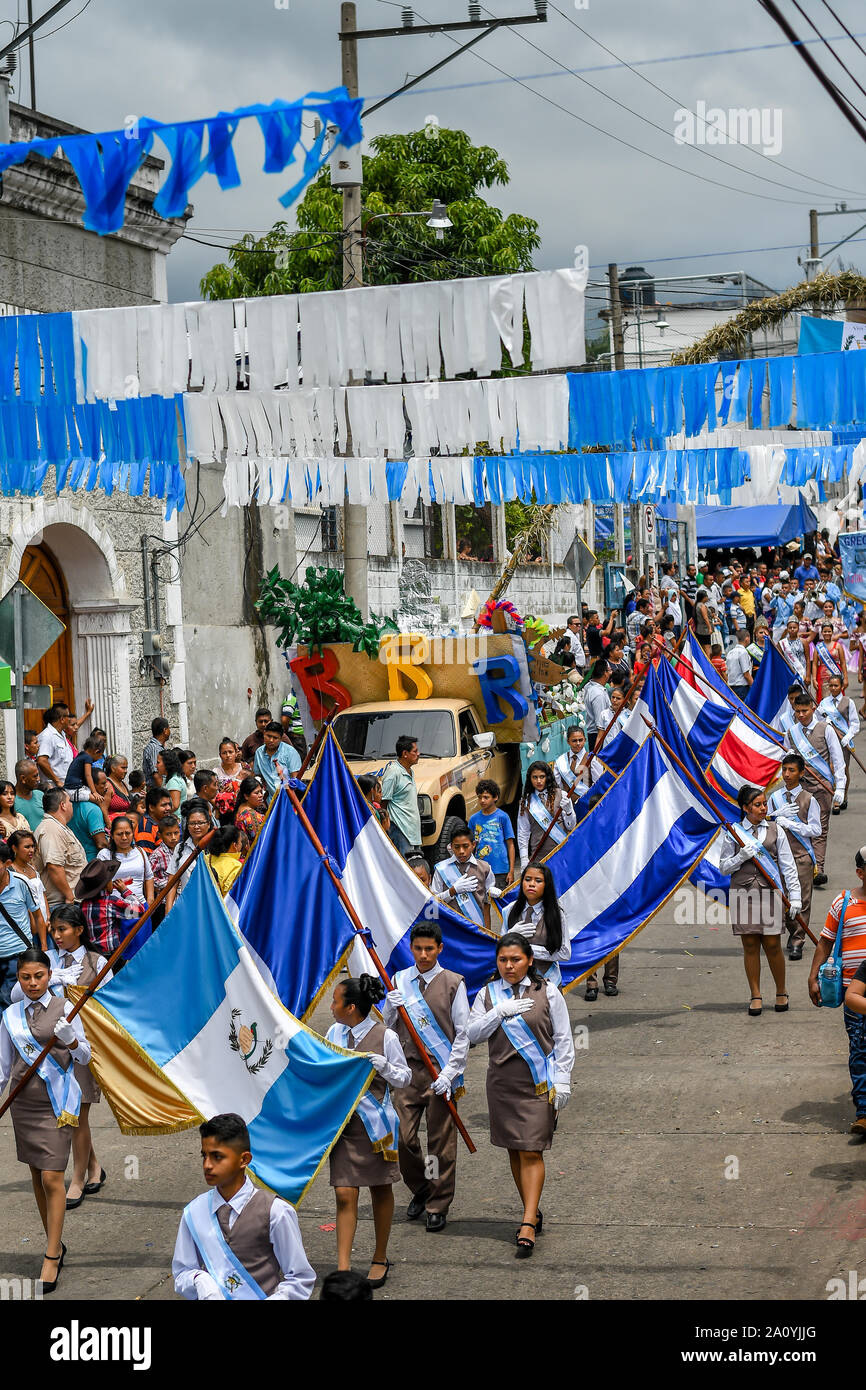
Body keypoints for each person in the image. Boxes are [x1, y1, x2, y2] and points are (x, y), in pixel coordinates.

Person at [467, 933, 574, 1258]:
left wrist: (564, 1080)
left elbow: (564, 1039)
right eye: (503, 960)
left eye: (515, 959)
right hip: (503, 1085)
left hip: (538, 1083)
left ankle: (527, 1220)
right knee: (515, 1150)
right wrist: (498, 1012)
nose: (509, 966)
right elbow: (472, 1035)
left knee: (532, 1151)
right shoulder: (487, 994)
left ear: (528, 960)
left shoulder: (548, 992)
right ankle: (532, 1208)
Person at [0, 946, 92, 1292]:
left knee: (54, 1178)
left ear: (49, 975)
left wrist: (70, 1042)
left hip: (57, 1103)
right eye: (26, 977)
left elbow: (84, 1056)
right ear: (19, 979)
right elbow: (3, 1068)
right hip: (24, 1106)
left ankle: (51, 1255)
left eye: (39, 976)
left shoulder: (66, 1008)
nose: (33, 983)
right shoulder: (11, 1015)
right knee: (38, 1177)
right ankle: (54, 1241)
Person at [381, 922, 470, 1233]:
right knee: (403, 1139)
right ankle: (421, 1186)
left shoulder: (454, 983)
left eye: (429, 949)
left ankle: (438, 1203)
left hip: (440, 1071)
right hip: (407, 1072)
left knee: (441, 1144)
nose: (422, 954)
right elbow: (388, 1030)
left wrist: (451, 1072)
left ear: (440, 949)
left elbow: (462, 1034)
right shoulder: (399, 980)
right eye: (417, 948)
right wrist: (389, 1010)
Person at [172, 1112, 315, 1301]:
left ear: (244, 1159)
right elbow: (182, 1272)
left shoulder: (275, 1211)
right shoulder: (195, 1211)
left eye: (217, 1157)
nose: (207, 1165)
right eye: (204, 1155)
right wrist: (199, 1279)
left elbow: (300, 1279)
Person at [325, 974, 411, 1288]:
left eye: (336, 1001)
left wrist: (384, 1067)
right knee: (345, 1193)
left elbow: (404, 1077)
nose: (331, 1006)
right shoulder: (334, 1032)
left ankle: (379, 1255)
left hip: (377, 1126)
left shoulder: (384, 1036)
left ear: (351, 1007)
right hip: (345, 1126)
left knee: (379, 1188)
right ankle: (344, 1267)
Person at [45, 903, 110, 1209]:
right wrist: (52, 975)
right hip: (51, 1051)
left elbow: (110, 1010)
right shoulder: (46, 961)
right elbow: (24, 991)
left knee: (77, 1115)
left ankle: (78, 1179)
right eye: (53, 929)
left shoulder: (98, 964)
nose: (56, 935)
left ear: (80, 930)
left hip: (82, 1049)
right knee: (67, 1114)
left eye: (63, 929)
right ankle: (94, 1166)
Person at [719, 784, 800, 1016]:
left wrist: (794, 897)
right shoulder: (733, 832)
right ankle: (755, 994)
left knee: (773, 944)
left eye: (764, 803)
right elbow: (724, 867)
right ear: (745, 808)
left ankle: (781, 991)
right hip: (744, 894)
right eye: (757, 805)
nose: (763, 808)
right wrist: (741, 856)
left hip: (770, 892)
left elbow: (788, 866)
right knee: (750, 945)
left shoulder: (776, 830)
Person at [810, 847, 866, 1136]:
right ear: (860, 872)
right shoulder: (844, 903)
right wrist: (813, 977)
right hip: (853, 994)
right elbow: (825, 941)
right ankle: (864, 1112)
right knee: (859, 1049)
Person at [784, 692, 845, 885]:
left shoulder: (825, 729)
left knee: (819, 829)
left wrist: (840, 787)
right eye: (797, 711)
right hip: (799, 789)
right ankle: (802, 866)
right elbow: (785, 760)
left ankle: (818, 869)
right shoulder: (791, 732)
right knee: (799, 827)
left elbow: (838, 758)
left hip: (821, 788)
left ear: (813, 709)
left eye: (804, 710)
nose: (801, 715)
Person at [767, 754, 821, 960]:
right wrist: (773, 816)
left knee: (803, 901)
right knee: (782, 900)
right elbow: (766, 824)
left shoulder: (809, 799)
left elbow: (816, 829)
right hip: (779, 857)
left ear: (801, 773)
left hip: (801, 856)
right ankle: (791, 931)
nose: (787, 774)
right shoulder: (774, 798)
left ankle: (798, 940)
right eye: (784, 770)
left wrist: (792, 824)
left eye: (791, 770)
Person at [501, 862, 571, 988]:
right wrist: (509, 936)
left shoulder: (556, 913)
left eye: (538, 880)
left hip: (549, 981)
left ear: (546, 885)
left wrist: (527, 950)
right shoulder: (509, 910)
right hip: (515, 981)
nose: (531, 884)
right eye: (527, 879)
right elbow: (501, 949)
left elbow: (565, 952)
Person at [0, 840, 46, 1008]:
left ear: (8, 864)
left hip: (18, 954)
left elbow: (38, 916)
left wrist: (43, 946)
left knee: (8, 999)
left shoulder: (20, 883)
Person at [431, 822, 497, 931]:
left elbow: (486, 903)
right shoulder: (441, 869)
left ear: (473, 845)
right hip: (450, 927)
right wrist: (451, 891)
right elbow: (433, 901)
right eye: (457, 847)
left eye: (465, 846)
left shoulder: (485, 868)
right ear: (451, 846)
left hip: (476, 928)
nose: (461, 851)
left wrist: (487, 932)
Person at [33, 790, 88, 912]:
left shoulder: (59, 827)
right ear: (63, 805)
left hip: (70, 902)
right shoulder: (51, 829)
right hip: (62, 905)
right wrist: (69, 896)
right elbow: (54, 866)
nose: (72, 804)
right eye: (69, 801)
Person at [75, 859, 139, 960]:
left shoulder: (83, 905)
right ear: (105, 885)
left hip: (91, 953)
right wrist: (125, 891)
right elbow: (137, 911)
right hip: (110, 954)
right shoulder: (110, 903)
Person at [516, 760, 576, 868]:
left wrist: (568, 811)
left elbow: (571, 826)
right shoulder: (525, 802)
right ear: (530, 779)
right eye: (535, 777)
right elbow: (523, 832)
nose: (539, 781)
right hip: (540, 857)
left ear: (547, 777)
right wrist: (524, 858)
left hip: (562, 852)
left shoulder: (562, 795)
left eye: (542, 777)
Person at [97, 815, 154, 912]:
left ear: (133, 833)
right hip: (114, 910)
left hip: (139, 908)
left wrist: (150, 900)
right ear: (112, 835)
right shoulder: (104, 855)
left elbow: (149, 877)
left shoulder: (140, 852)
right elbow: (100, 884)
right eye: (119, 834)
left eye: (128, 833)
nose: (124, 837)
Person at [380, 735, 422, 857]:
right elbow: (384, 803)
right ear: (405, 753)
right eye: (415, 751)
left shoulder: (409, 771)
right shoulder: (393, 772)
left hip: (412, 831)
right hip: (400, 830)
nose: (418, 754)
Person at [469, 778, 515, 888]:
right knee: (482, 902)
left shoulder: (503, 817)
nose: (482, 801)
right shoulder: (473, 819)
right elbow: (470, 845)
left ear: (495, 797)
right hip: (480, 869)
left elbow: (510, 845)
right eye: (479, 797)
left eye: (486, 797)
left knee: (500, 901)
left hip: (500, 869)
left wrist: (511, 871)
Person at [7, 830, 49, 949]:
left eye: (32, 846)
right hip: (30, 926)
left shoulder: (32, 867)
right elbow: (22, 901)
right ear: (14, 848)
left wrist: (48, 916)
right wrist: (34, 922)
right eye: (27, 847)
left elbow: (42, 893)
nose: (31, 850)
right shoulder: (11, 871)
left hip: (45, 923)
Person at [68, 769, 110, 862]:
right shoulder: (93, 810)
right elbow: (101, 844)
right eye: (103, 784)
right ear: (92, 786)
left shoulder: (70, 804)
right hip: (92, 862)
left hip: (75, 860)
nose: (107, 787)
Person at [253, 722, 301, 797]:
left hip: (288, 799)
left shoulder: (290, 752)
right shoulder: (259, 753)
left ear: (281, 739)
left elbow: (296, 779)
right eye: (268, 736)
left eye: (275, 738)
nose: (271, 740)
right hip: (269, 800)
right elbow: (258, 776)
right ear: (264, 733)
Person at [36, 703, 74, 792]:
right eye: (68, 716)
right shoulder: (47, 735)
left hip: (66, 785)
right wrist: (57, 780)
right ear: (62, 719)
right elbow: (42, 760)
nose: (70, 719)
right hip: (53, 787)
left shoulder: (62, 733)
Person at [553, 726, 591, 804]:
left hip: (586, 803)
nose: (578, 743)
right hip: (567, 805)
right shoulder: (560, 761)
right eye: (574, 741)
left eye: (580, 740)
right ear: (568, 741)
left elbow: (598, 781)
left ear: (585, 740)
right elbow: (557, 785)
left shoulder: (592, 759)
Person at [63, 735, 105, 804]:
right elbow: (88, 775)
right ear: (96, 752)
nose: (100, 758)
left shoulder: (82, 754)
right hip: (73, 790)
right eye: (100, 755)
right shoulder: (88, 758)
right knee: (99, 800)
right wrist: (94, 792)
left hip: (73, 788)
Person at [206, 824, 245, 897]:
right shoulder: (236, 867)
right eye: (240, 841)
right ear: (235, 845)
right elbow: (232, 898)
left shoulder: (205, 858)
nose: (241, 844)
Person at [149, 815, 182, 898]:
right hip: (165, 899)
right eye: (168, 834)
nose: (173, 838)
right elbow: (148, 877)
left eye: (176, 833)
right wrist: (168, 883)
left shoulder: (183, 850)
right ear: (160, 835)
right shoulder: (158, 854)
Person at [814, 621, 847, 704]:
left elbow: (843, 663)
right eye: (825, 631)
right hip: (822, 677)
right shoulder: (818, 647)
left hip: (836, 674)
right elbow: (814, 664)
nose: (827, 633)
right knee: (823, 699)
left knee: (837, 699)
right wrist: (814, 679)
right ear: (821, 632)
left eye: (829, 631)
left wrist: (846, 678)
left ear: (832, 632)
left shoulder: (838, 646)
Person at [213, 739, 244, 821]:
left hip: (242, 810)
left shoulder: (244, 768)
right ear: (220, 755)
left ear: (236, 753)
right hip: (224, 814)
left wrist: (236, 784)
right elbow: (213, 794)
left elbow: (251, 786)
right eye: (224, 753)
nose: (228, 755)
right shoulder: (216, 772)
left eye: (231, 752)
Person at [233, 776, 267, 850]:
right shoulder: (251, 815)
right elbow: (260, 840)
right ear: (246, 796)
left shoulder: (240, 809)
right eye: (256, 793)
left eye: (261, 792)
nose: (261, 795)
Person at [14, 759, 44, 833]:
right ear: (23, 778)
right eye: (35, 776)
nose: (38, 779)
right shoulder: (10, 800)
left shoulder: (40, 795)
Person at [779, 616, 811, 686]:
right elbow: (780, 660)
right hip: (788, 674)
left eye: (794, 627)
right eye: (790, 628)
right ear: (787, 629)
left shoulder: (804, 642)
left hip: (802, 673)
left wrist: (808, 676)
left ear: (798, 628)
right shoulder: (782, 643)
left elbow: (808, 659)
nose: (792, 629)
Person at [141, 717, 171, 788]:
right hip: (157, 792)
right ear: (165, 730)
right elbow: (156, 774)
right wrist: (164, 792)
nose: (170, 731)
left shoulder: (158, 747)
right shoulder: (155, 748)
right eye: (169, 728)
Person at [725, 630, 754, 698]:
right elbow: (746, 674)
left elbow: (727, 672)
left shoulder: (730, 652)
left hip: (731, 687)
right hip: (742, 688)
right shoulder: (743, 652)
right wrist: (754, 686)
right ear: (747, 638)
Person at [158, 748, 187, 812]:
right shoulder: (169, 778)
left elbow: (174, 806)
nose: (156, 766)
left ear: (166, 764)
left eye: (158, 762)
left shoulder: (173, 781)